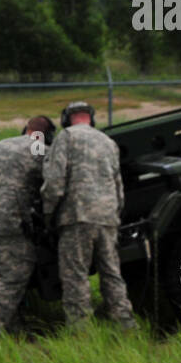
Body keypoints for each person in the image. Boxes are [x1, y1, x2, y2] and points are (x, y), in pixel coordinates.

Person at [40, 101, 136, 329]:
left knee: (75, 276)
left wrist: (48, 215)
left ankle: (80, 329)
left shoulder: (66, 138)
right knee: (112, 274)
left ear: (66, 119)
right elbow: (118, 185)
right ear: (91, 118)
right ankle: (125, 323)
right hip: (107, 217)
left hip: (77, 216)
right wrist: (115, 213)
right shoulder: (108, 142)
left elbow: (54, 183)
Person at [0, 115, 55, 333]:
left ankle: (11, 327)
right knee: (15, 274)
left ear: (25, 128)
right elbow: (46, 181)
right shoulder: (38, 148)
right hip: (7, 220)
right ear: (45, 135)